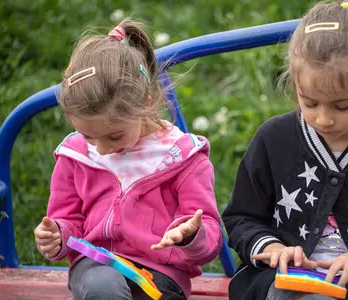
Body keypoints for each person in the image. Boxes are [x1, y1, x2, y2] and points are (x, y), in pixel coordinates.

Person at [222, 1, 348, 299]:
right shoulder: (273, 139)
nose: (324, 119)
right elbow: (240, 219)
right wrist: (273, 248)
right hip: (281, 279)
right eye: (309, 103)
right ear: (295, 84)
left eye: (341, 105)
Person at [33, 18, 222, 300]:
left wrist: (190, 236)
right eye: (88, 136)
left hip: (162, 272)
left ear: (145, 102)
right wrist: (58, 236)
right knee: (102, 287)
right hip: (96, 264)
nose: (103, 150)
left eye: (114, 137)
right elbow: (67, 219)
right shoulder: (75, 155)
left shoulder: (184, 158)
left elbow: (208, 233)